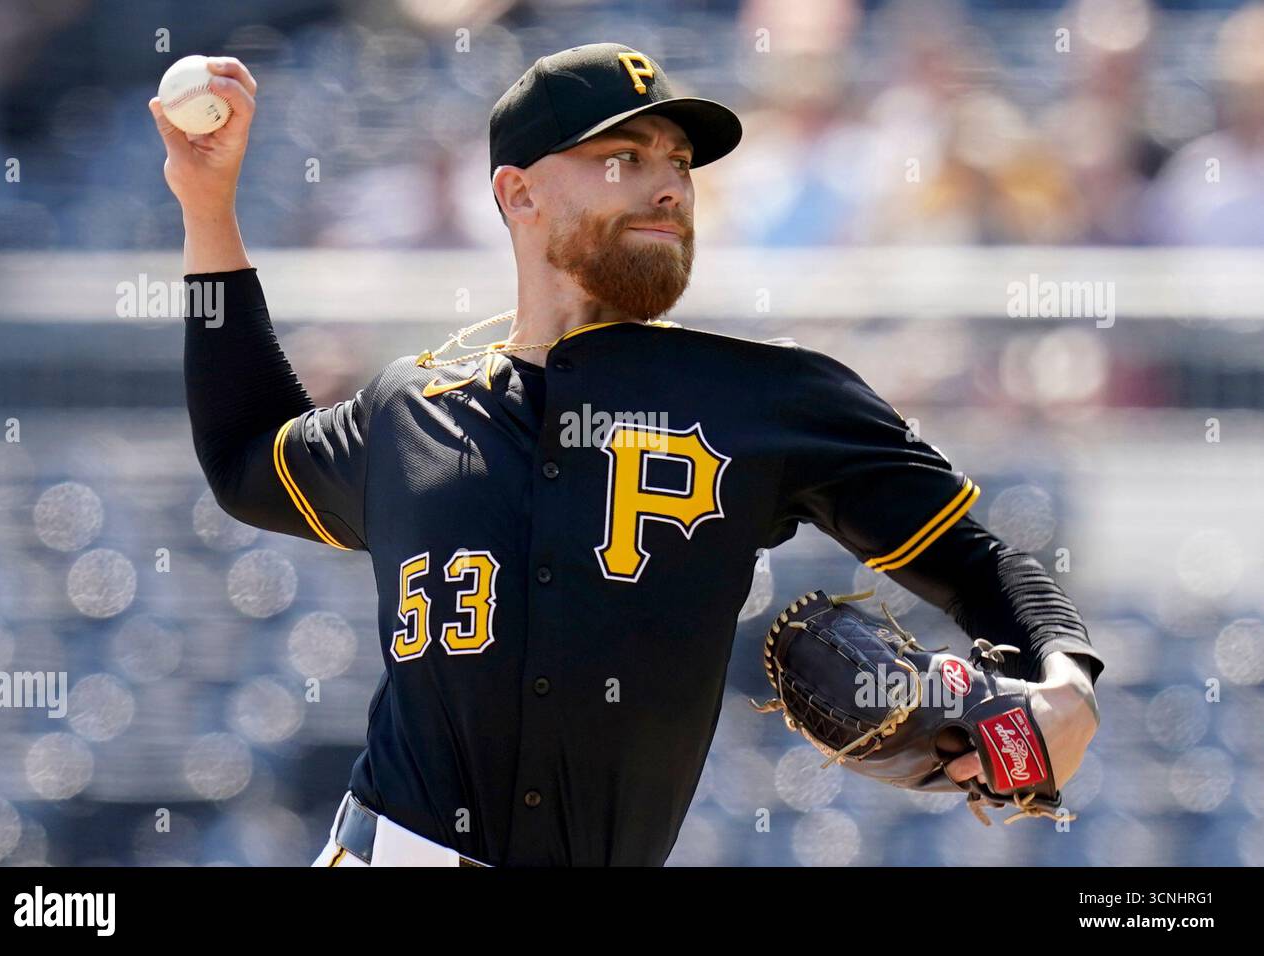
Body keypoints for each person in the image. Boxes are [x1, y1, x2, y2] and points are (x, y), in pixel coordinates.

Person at [151, 42, 1102, 867]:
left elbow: (983, 565)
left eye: (680, 161)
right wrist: (207, 207)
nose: (667, 184)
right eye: (622, 154)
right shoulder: (411, 412)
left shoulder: (769, 398)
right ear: (516, 192)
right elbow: (243, 455)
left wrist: (1066, 686)